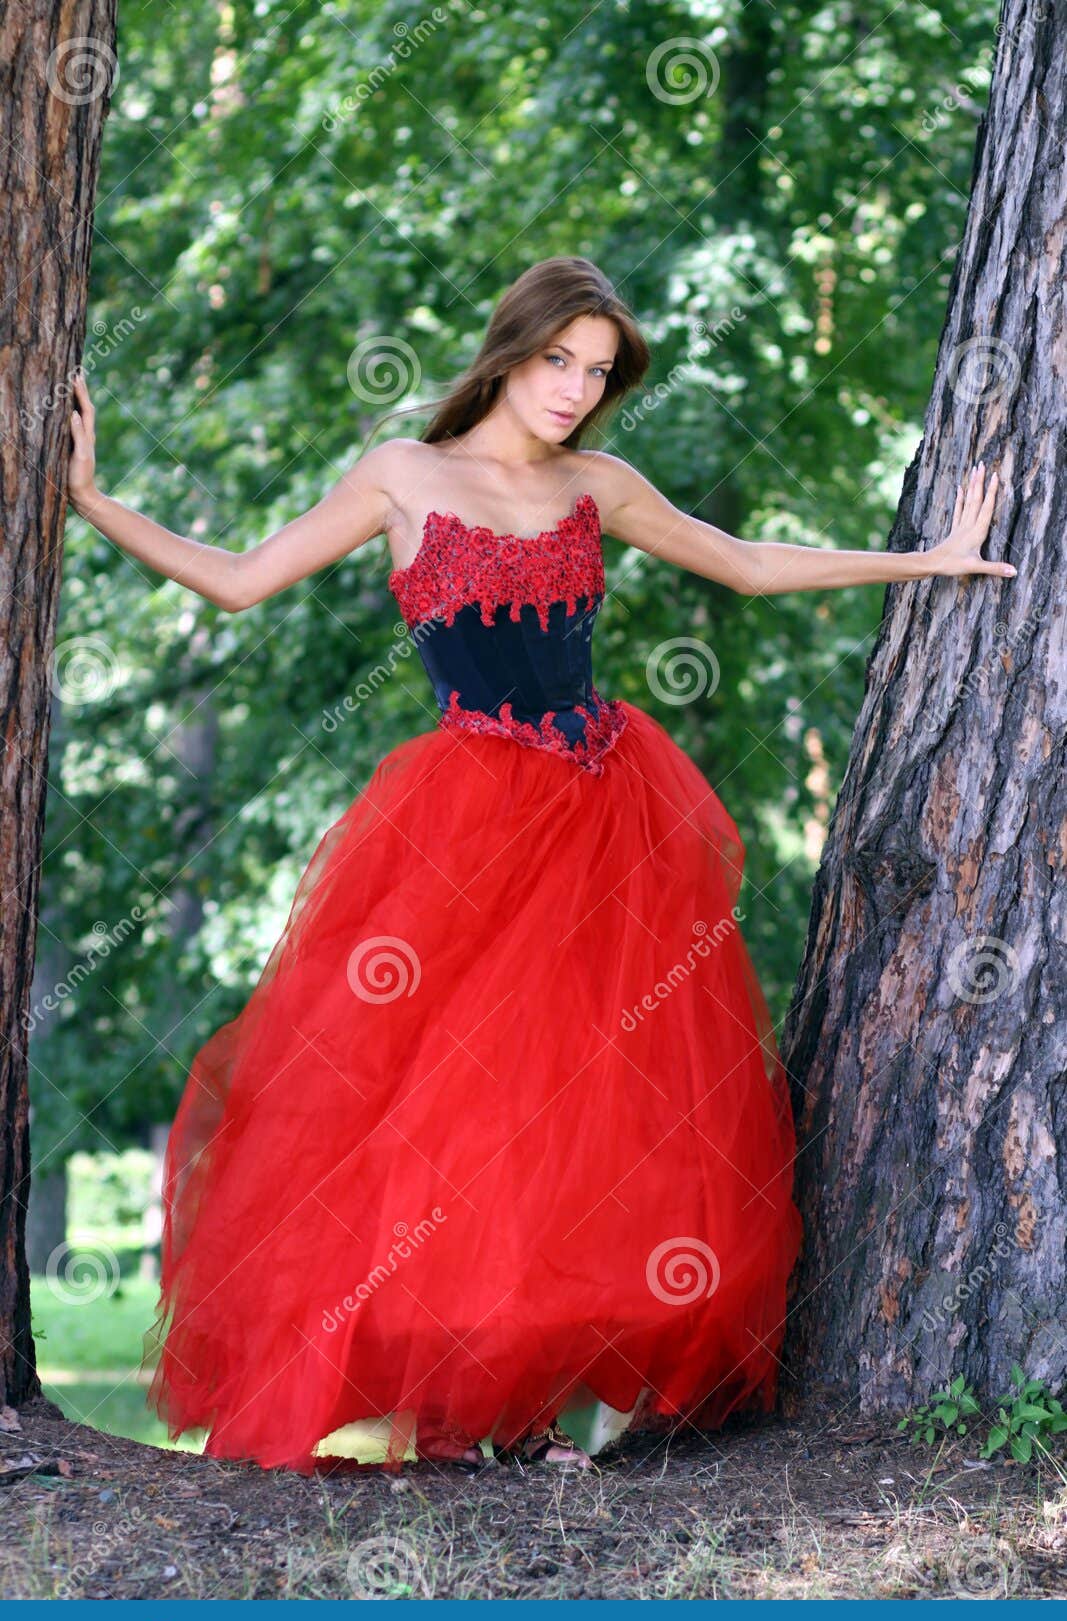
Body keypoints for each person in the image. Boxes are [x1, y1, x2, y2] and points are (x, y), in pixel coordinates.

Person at [66, 256, 1010, 1476]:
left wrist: (929, 560)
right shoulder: (402, 475)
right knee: (451, 1112)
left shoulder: (598, 484)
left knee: (592, 1111)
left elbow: (745, 561)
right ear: (508, 352)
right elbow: (241, 583)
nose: (574, 390)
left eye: (598, 372)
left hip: (608, 817)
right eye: (558, 361)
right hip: (462, 824)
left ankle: (540, 1407)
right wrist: (92, 501)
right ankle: (454, 1407)